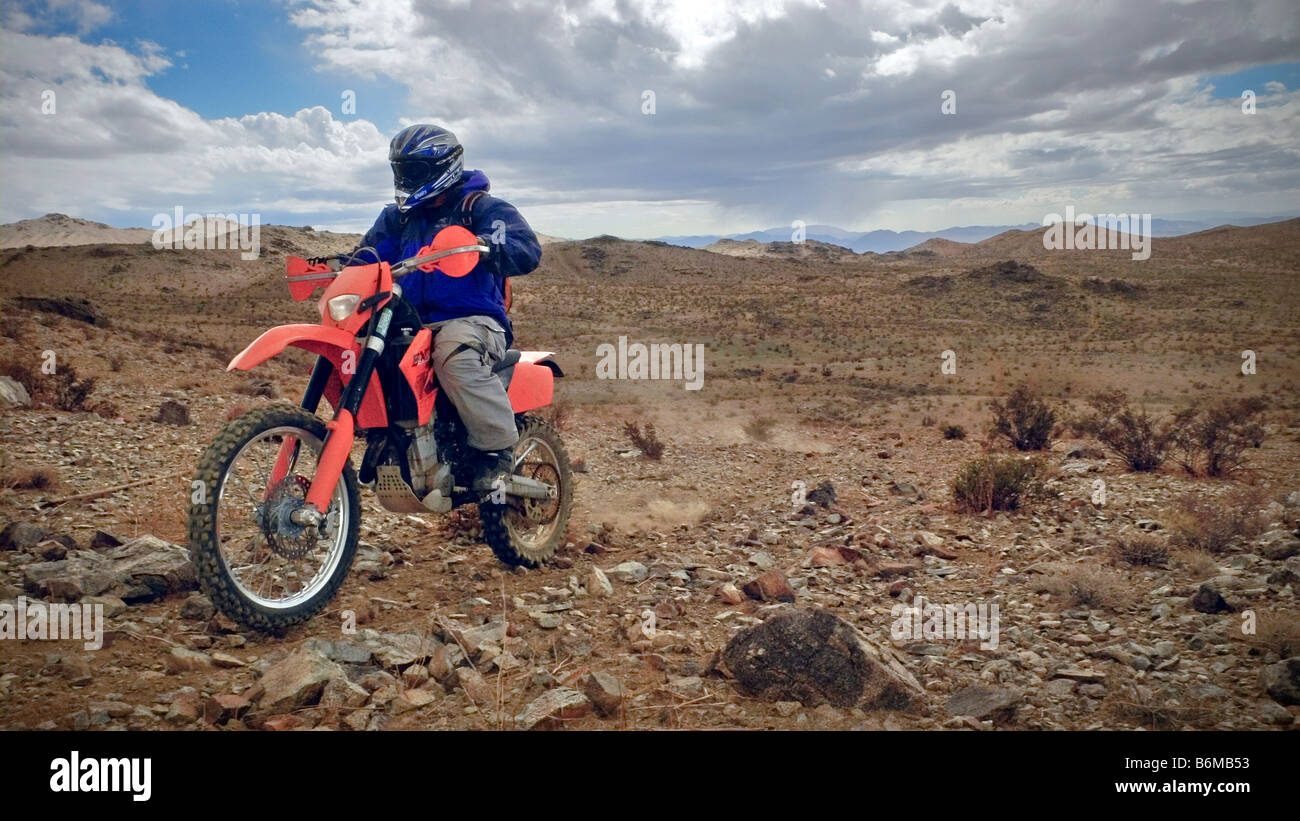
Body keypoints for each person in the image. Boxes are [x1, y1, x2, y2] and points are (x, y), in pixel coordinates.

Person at [358, 124, 541, 495]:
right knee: (359, 355)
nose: (405, 179)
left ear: (444, 166)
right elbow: (369, 256)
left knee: (454, 355)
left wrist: (486, 246)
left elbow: (526, 248)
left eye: (414, 171)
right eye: (401, 170)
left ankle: (496, 450)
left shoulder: (480, 207)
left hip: (473, 319)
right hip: (408, 320)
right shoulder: (398, 218)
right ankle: (384, 436)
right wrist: (341, 267)